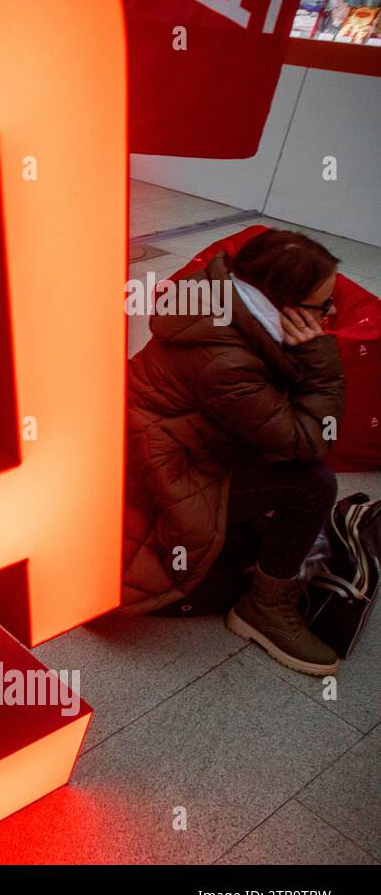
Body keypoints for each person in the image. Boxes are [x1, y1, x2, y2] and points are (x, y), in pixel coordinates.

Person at [120, 229, 346, 676]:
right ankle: (263, 610)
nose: (333, 313)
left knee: (276, 508)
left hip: (162, 456)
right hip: (161, 485)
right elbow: (309, 440)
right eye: (324, 306)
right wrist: (321, 358)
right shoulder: (227, 361)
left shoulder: (221, 304)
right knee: (313, 483)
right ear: (284, 308)